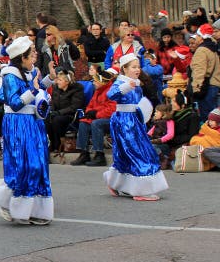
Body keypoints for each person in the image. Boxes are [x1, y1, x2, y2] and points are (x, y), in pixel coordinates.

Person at [0, 36, 54, 225]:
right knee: (25, 165)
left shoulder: (29, 72)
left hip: (32, 122)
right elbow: (16, 103)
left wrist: (49, 79)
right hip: (17, 123)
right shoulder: (10, 76)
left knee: (39, 165)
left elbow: (36, 88)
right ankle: (12, 203)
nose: (34, 55)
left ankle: (34, 209)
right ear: (21, 57)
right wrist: (33, 91)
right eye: (31, 53)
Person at [104, 54, 169, 201]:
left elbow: (140, 102)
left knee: (126, 154)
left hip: (135, 120)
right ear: (124, 69)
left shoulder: (138, 84)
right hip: (124, 122)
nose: (137, 69)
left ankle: (117, 183)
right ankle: (140, 189)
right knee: (135, 152)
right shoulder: (121, 82)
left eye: (138, 66)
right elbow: (111, 95)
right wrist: (127, 86)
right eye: (133, 67)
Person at [71, 67, 117, 166]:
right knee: (83, 122)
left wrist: (96, 114)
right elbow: (90, 105)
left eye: (96, 81)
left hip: (111, 119)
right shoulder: (98, 90)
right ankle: (84, 153)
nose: (93, 83)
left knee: (96, 124)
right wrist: (89, 113)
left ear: (102, 82)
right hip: (99, 116)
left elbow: (112, 109)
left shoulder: (111, 91)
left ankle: (99, 155)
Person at [45, 69, 85, 154]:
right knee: (47, 118)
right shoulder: (56, 88)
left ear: (67, 82)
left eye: (60, 80)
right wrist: (52, 111)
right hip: (58, 113)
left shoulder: (77, 89)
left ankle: (59, 143)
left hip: (71, 115)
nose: (57, 82)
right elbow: (53, 102)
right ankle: (52, 143)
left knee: (57, 120)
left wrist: (59, 112)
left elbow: (75, 106)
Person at [188, 23, 220, 122]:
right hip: (215, 85)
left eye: (197, 35)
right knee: (215, 118)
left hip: (206, 89)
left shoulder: (201, 50)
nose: (196, 37)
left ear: (201, 37)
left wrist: (196, 89)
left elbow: (199, 71)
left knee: (207, 119)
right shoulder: (213, 48)